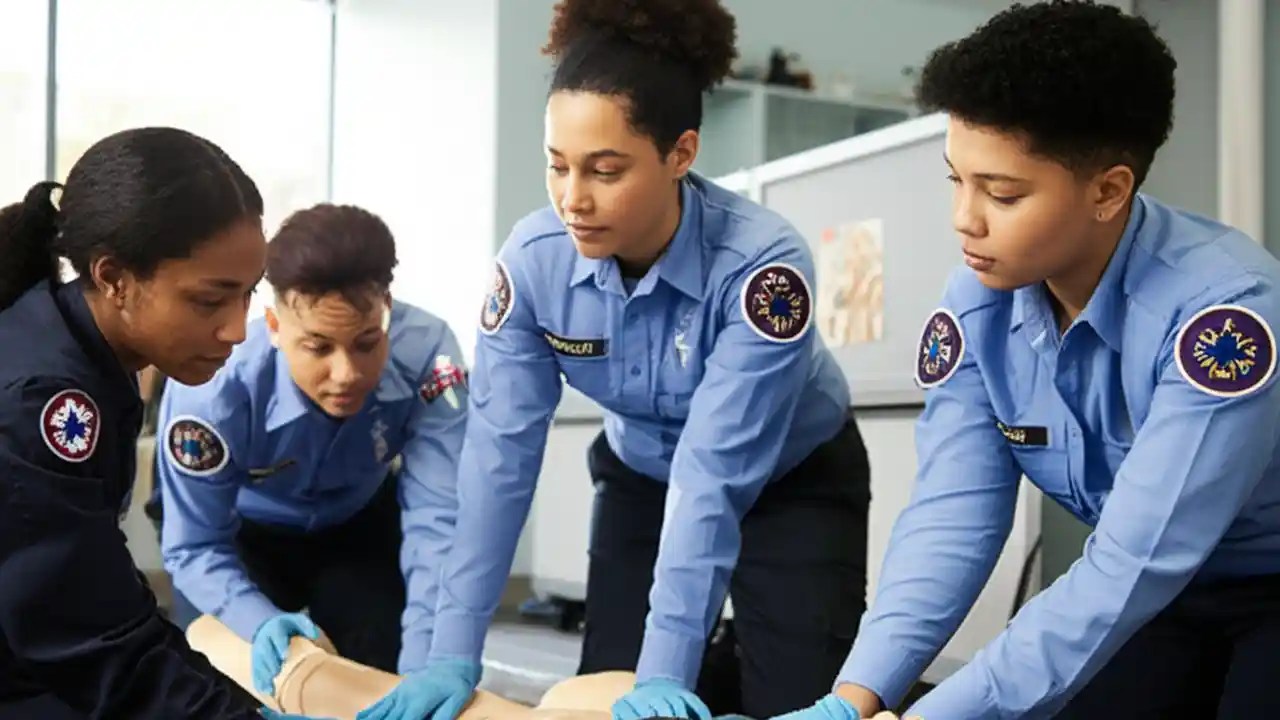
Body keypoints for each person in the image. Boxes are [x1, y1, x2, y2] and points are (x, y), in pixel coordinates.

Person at [357, 2, 871, 720]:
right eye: (557, 166)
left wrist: (667, 671)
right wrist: (450, 651)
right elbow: (497, 463)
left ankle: (721, 661)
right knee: (604, 695)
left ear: (681, 154)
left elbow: (714, 473)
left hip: (793, 480)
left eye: (605, 170)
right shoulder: (533, 267)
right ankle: (711, 659)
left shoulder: (762, 268)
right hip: (642, 475)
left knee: (786, 700)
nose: (573, 199)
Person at [777, 2, 1280, 719]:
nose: (965, 218)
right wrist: (854, 699)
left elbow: (1130, 565)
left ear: (1109, 190)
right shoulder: (979, 305)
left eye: (1002, 193)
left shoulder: (1222, 317)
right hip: (1164, 597)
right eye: (957, 179)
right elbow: (952, 514)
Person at [0, 127, 321, 718]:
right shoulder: (44, 400)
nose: (235, 329)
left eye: (248, 295)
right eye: (209, 300)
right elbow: (89, 643)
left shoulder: (91, 354)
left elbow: (100, 600)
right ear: (114, 278)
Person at [153, 203, 468, 694]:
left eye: (366, 343)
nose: (346, 375)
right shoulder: (214, 387)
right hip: (238, 532)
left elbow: (437, 518)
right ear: (275, 327)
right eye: (319, 347)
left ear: (387, 307)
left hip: (356, 522)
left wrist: (430, 659)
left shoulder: (429, 353)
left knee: (377, 676)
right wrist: (257, 622)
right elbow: (194, 544)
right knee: (219, 682)